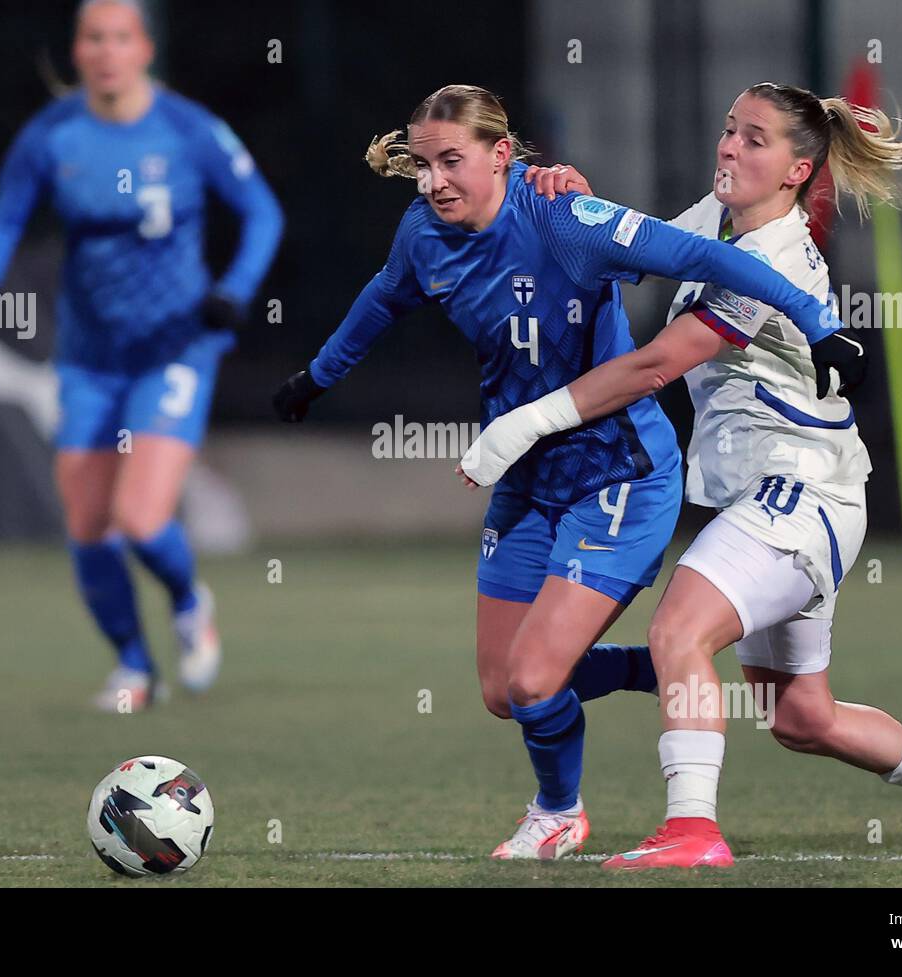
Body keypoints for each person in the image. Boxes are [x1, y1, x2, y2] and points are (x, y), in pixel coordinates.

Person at [460, 82, 902, 867]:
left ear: (799, 170)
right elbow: (644, 244)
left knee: (678, 628)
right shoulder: (723, 216)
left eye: (755, 140)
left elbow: (656, 365)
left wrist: (525, 422)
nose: (730, 148)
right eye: (730, 130)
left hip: (800, 495)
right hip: (782, 499)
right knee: (803, 716)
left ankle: (693, 830)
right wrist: (581, 202)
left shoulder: (772, 261)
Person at [273, 83, 848, 859]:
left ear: (502, 155)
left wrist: (819, 321)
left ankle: (557, 811)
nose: (435, 180)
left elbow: (708, 257)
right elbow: (382, 298)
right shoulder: (422, 233)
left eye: (453, 161)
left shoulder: (565, 220)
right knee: (503, 691)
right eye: (423, 164)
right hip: (526, 478)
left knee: (537, 680)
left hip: (617, 472)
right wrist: (315, 378)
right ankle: (666, 670)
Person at [0, 0, 284, 710]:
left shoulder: (187, 128)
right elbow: (5, 219)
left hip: (175, 348)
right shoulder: (52, 135)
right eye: (92, 38)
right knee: (87, 524)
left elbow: (263, 211)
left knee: (139, 518)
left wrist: (234, 288)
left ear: (144, 48)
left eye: (119, 36)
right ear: (77, 51)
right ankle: (136, 668)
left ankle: (187, 599)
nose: (106, 50)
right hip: (88, 357)